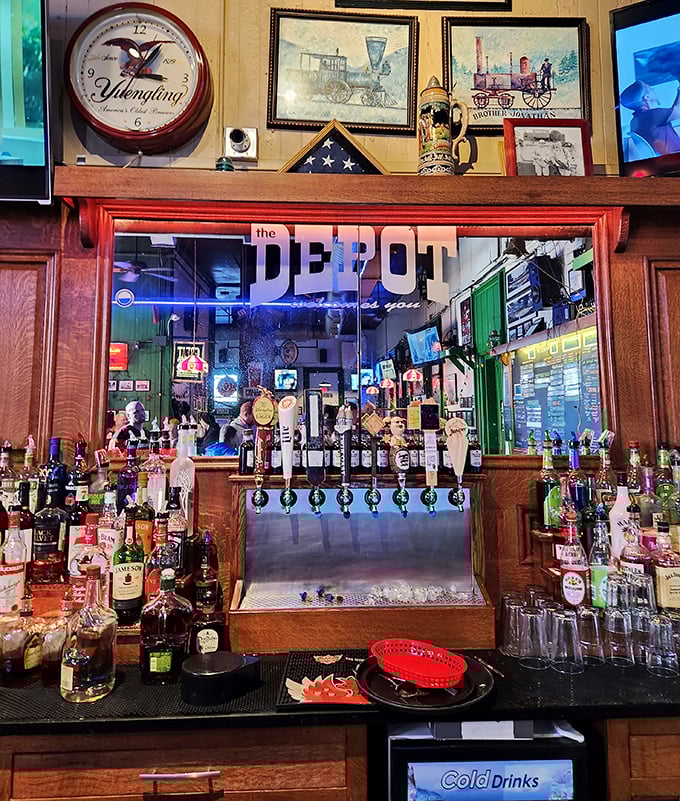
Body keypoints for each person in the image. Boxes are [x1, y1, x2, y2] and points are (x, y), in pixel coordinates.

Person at [620, 80, 680, 156]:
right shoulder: (652, 116)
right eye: (650, 88)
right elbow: (678, 111)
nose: (653, 89)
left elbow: (675, 110)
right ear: (646, 97)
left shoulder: (635, 120)